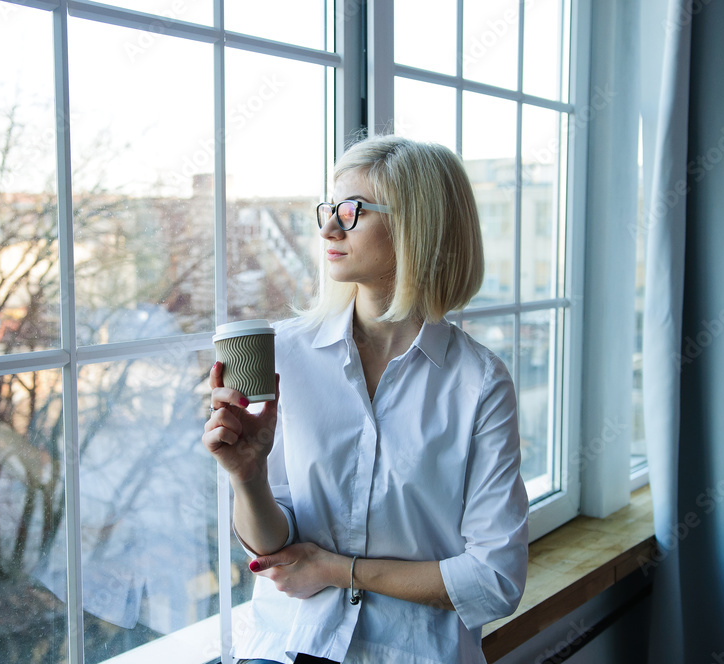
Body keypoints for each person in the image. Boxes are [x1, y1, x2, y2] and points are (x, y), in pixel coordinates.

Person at [202, 135, 529, 664]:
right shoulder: (284, 355)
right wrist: (247, 476)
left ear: (418, 226)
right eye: (329, 209)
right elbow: (272, 550)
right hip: (285, 648)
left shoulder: (480, 383)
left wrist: (335, 570)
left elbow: (494, 581)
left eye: (352, 212)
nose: (329, 227)